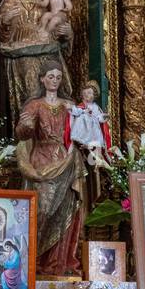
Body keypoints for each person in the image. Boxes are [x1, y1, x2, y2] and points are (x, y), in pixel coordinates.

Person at [14, 63, 86, 276]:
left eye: (58, 77)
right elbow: (22, 134)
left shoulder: (69, 105)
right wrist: (25, 127)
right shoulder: (34, 105)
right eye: (51, 76)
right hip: (41, 160)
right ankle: (35, 259)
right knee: (43, 210)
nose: (55, 80)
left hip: (67, 160)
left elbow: (83, 130)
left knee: (66, 210)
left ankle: (59, 262)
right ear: (42, 79)